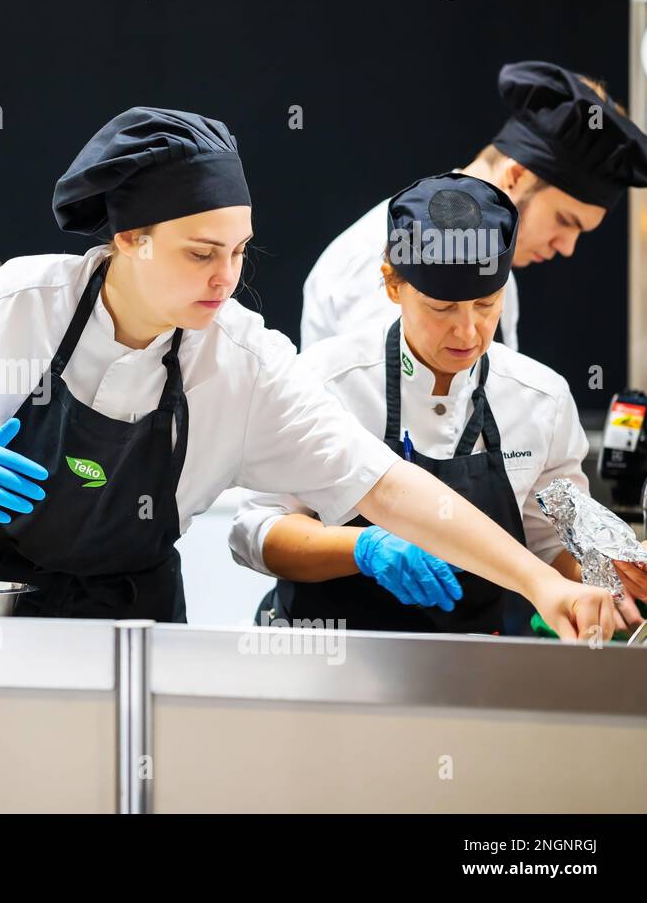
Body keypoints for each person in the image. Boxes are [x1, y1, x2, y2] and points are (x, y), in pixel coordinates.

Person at [0, 107, 615, 639]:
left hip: (129, 624)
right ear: (130, 238)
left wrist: (540, 580)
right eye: (202, 253)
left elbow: (386, 485)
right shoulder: (9, 307)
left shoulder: (243, 360)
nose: (226, 279)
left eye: (240, 252)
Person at [233, 172, 645, 634]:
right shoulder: (324, 380)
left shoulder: (541, 399)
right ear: (392, 285)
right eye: (442, 308)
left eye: (487, 304)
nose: (468, 332)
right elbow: (255, 533)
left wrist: (608, 575)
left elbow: (550, 544)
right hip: (331, 661)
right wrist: (362, 548)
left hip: (474, 668)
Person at [300, 61, 647, 350]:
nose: (567, 247)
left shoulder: (495, 270)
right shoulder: (395, 251)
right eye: (565, 220)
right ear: (517, 176)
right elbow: (390, 413)